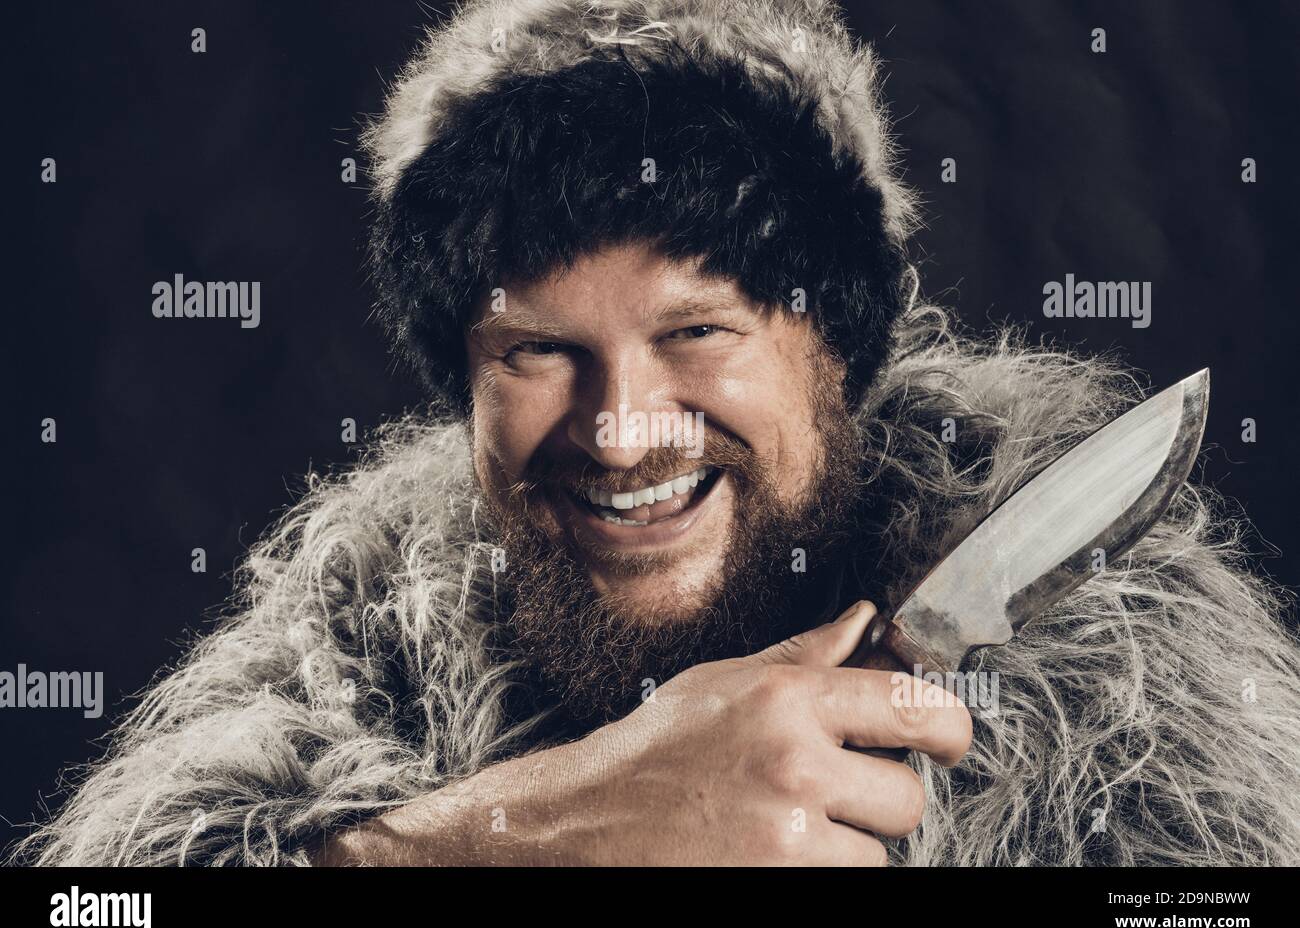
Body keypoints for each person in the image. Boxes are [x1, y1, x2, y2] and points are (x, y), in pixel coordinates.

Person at [20, 0, 1300, 866]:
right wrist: (534, 832)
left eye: (698, 332)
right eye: (537, 349)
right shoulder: (352, 650)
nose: (622, 433)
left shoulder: (1125, 698)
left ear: (843, 349)